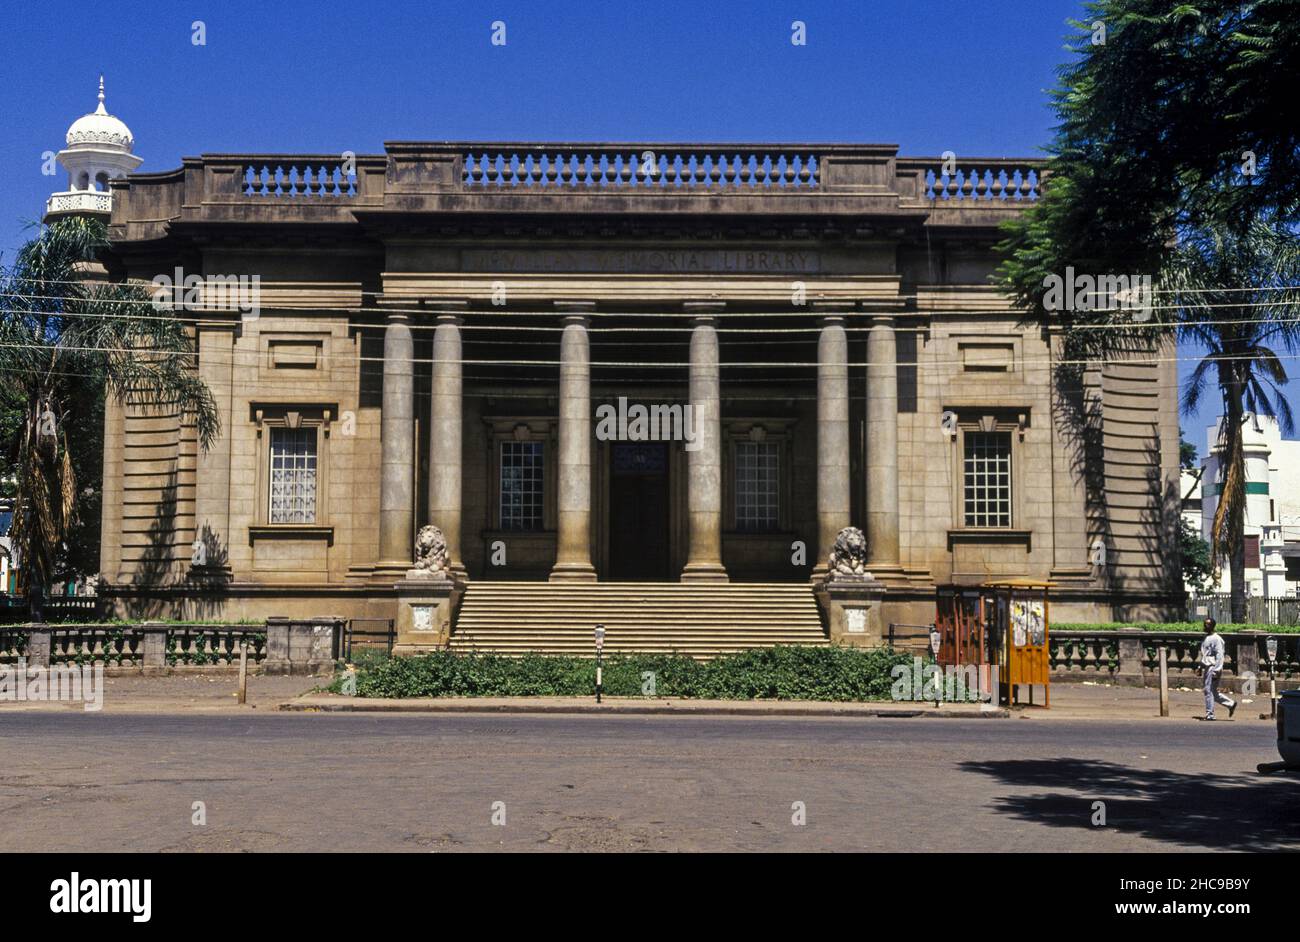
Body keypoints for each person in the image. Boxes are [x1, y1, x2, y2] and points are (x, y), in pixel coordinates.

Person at [1196, 618, 1236, 720]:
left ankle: (1210, 714)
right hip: (1207, 666)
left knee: (1208, 690)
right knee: (1211, 691)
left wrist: (1217, 670)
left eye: (1208, 625)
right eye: (1205, 624)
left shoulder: (1216, 639)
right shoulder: (1206, 638)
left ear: (1213, 626)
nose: (1205, 626)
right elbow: (1205, 655)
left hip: (1213, 667)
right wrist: (1200, 666)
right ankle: (1230, 704)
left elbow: (1220, 655)